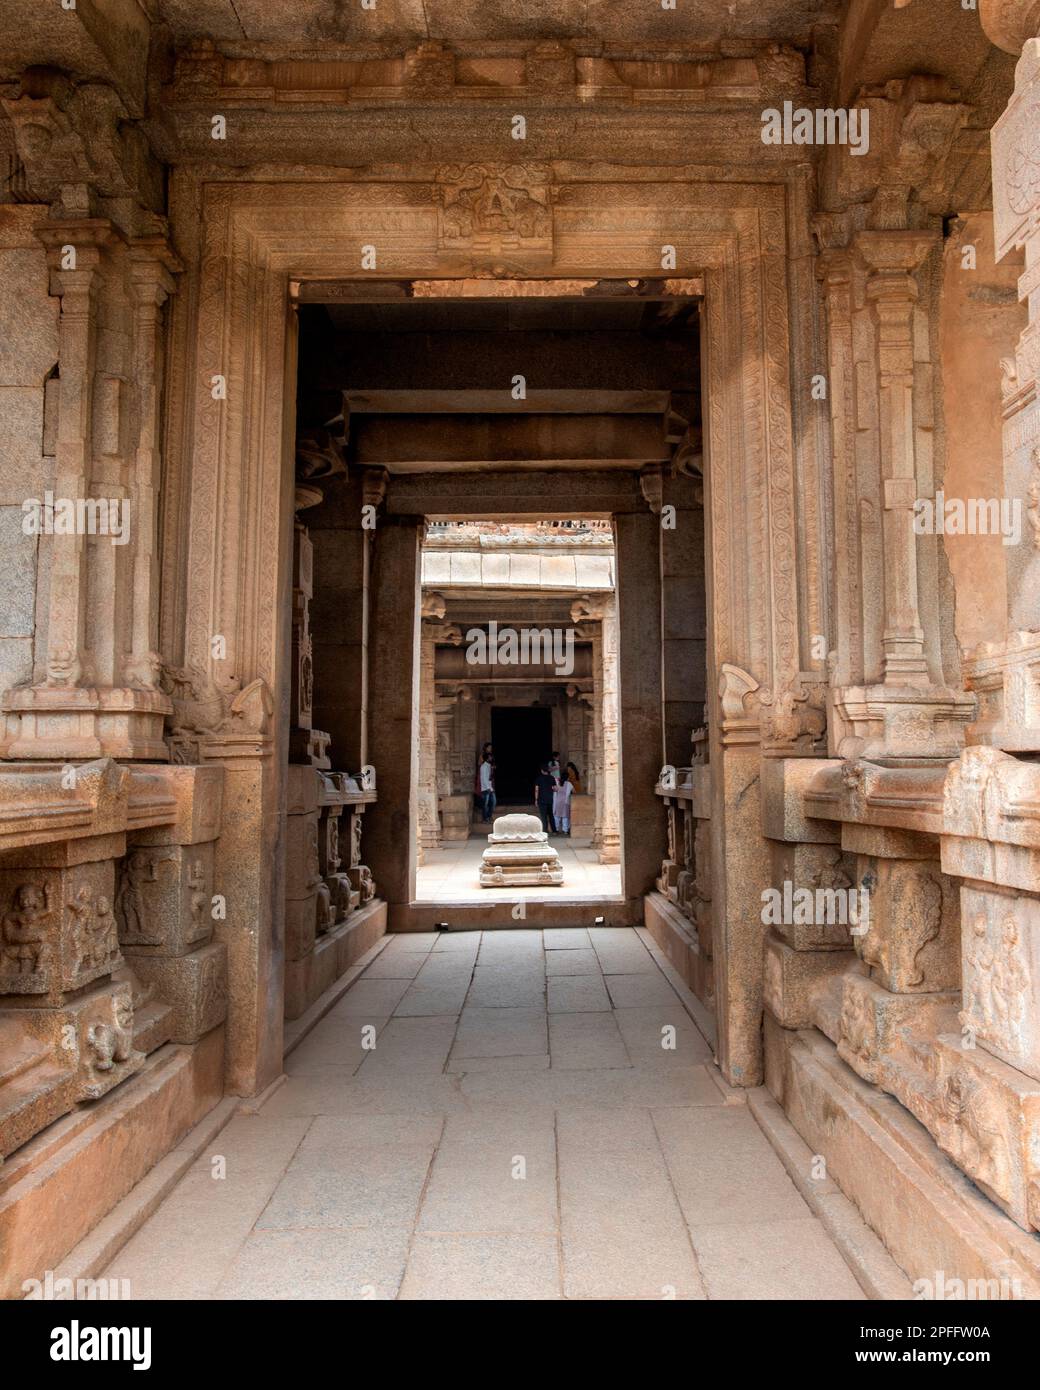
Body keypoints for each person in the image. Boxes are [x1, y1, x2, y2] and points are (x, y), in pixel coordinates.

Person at [533, 763, 556, 834]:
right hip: (550, 799)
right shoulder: (552, 778)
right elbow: (555, 789)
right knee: (551, 815)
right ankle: (554, 830)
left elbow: (537, 790)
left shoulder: (539, 779)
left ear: (542, 770)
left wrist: (536, 799)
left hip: (541, 800)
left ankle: (545, 831)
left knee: (544, 816)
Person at [477, 744, 496, 823]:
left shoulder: (489, 766)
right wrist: (488, 788)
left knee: (493, 802)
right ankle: (485, 818)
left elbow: (489, 778)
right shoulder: (484, 766)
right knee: (485, 803)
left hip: (489, 788)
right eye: (490, 757)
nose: (491, 758)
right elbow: (483, 778)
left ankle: (488, 816)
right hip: (486, 788)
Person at [553, 773, 572, 837]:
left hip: (558, 802)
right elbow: (574, 791)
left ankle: (556, 829)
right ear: (567, 777)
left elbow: (554, 790)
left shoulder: (558, 783)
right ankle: (565, 830)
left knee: (557, 816)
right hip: (565, 802)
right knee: (565, 817)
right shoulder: (569, 784)